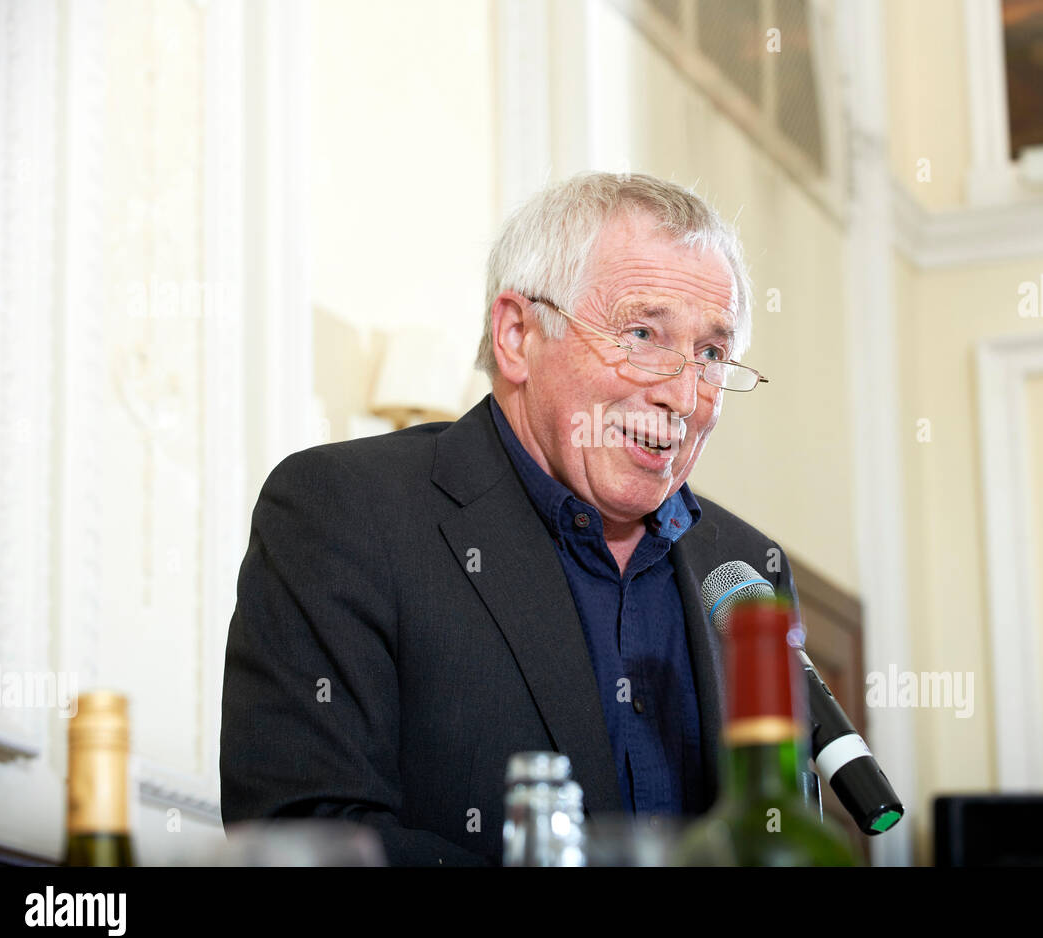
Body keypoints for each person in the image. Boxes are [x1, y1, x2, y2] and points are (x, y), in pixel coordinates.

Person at [219, 171, 801, 865]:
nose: (684, 394)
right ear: (518, 335)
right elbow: (304, 836)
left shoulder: (743, 569)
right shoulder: (347, 510)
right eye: (643, 333)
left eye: (710, 353)